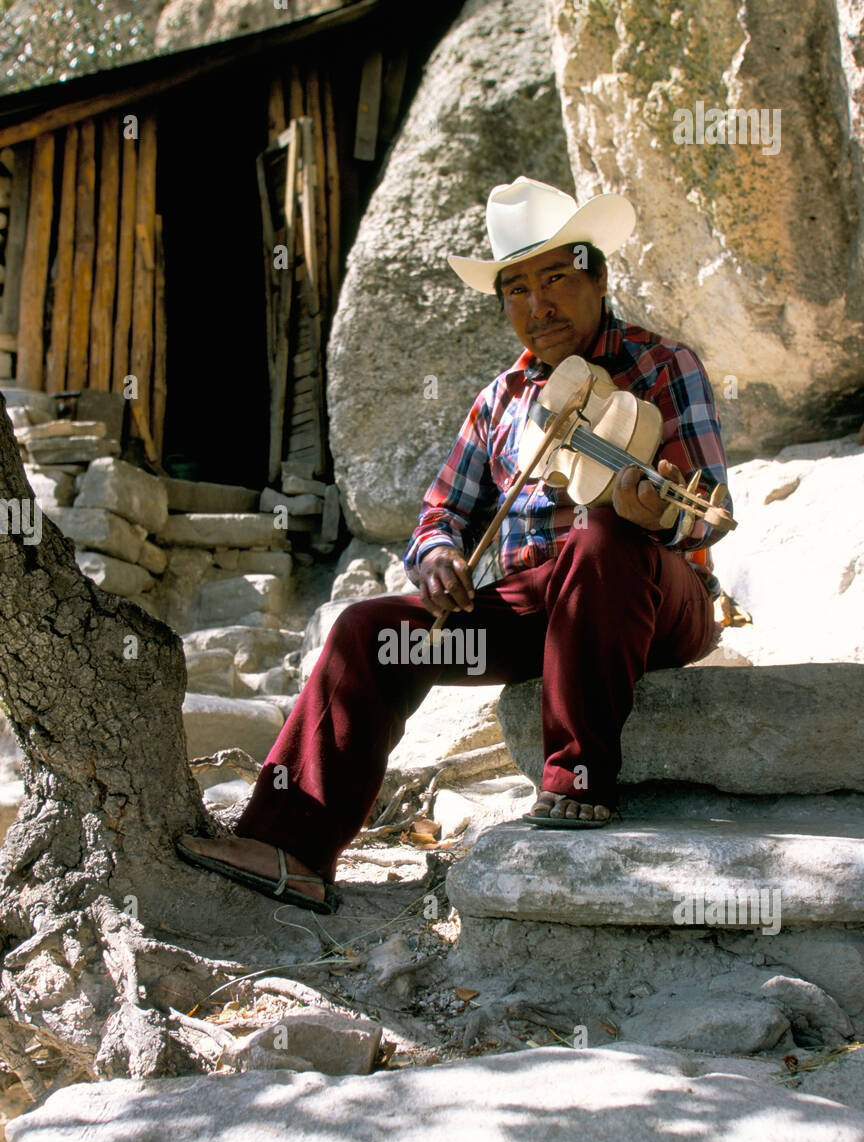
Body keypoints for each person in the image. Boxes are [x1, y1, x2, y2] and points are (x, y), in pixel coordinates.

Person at [177, 177, 731, 914]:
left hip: (657, 599)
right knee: (368, 632)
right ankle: (292, 845)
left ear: (599, 277)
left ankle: (579, 781)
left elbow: (709, 516)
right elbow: (442, 512)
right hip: (540, 611)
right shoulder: (503, 398)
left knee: (603, 534)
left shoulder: (666, 365)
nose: (539, 305)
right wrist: (436, 557)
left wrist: (657, 515)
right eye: (518, 290)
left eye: (558, 279)